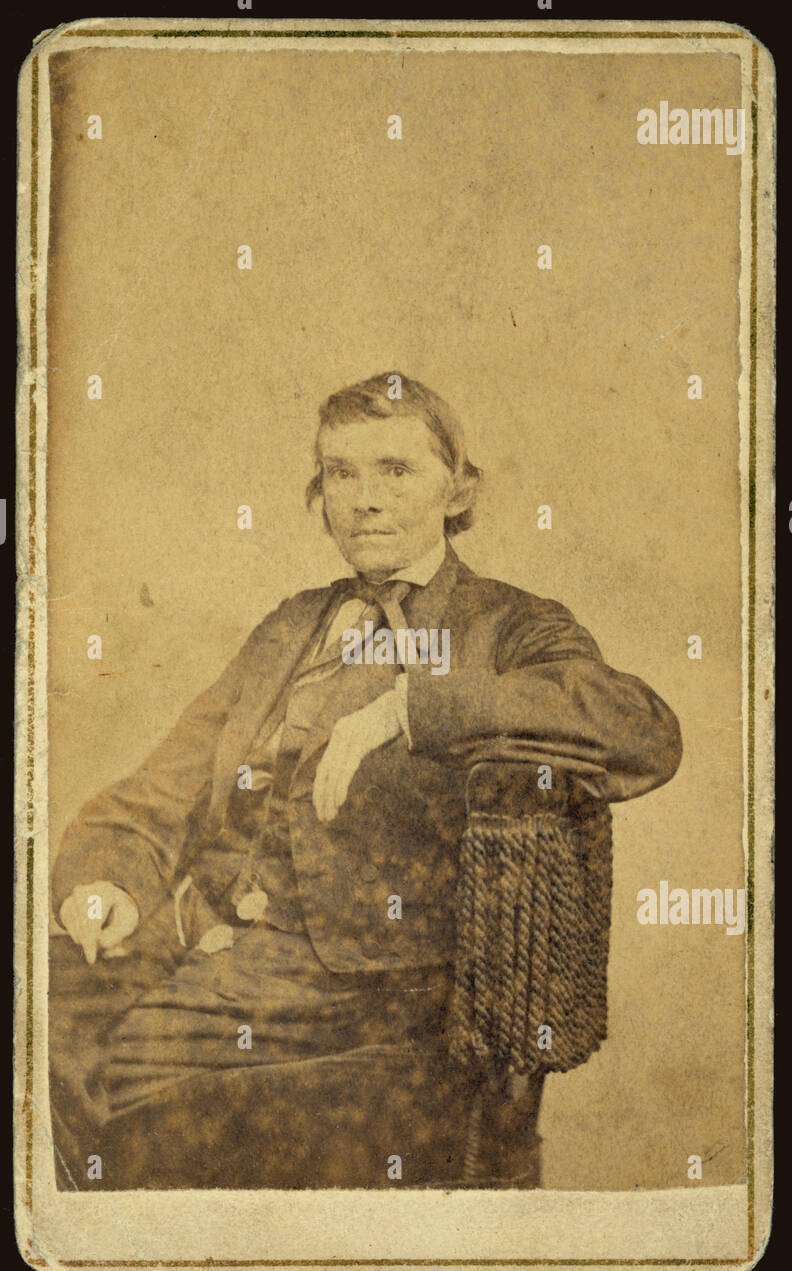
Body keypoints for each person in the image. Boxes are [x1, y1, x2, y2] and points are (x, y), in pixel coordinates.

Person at [49, 372, 682, 1190]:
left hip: (374, 987)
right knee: (43, 1009)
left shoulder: (508, 623)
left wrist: (413, 709)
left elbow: (641, 727)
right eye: (341, 474)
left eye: (395, 471)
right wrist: (105, 878)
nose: (365, 500)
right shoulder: (291, 626)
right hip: (211, 941)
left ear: (460, 491)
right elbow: (161, 789)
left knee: (110, 1083)